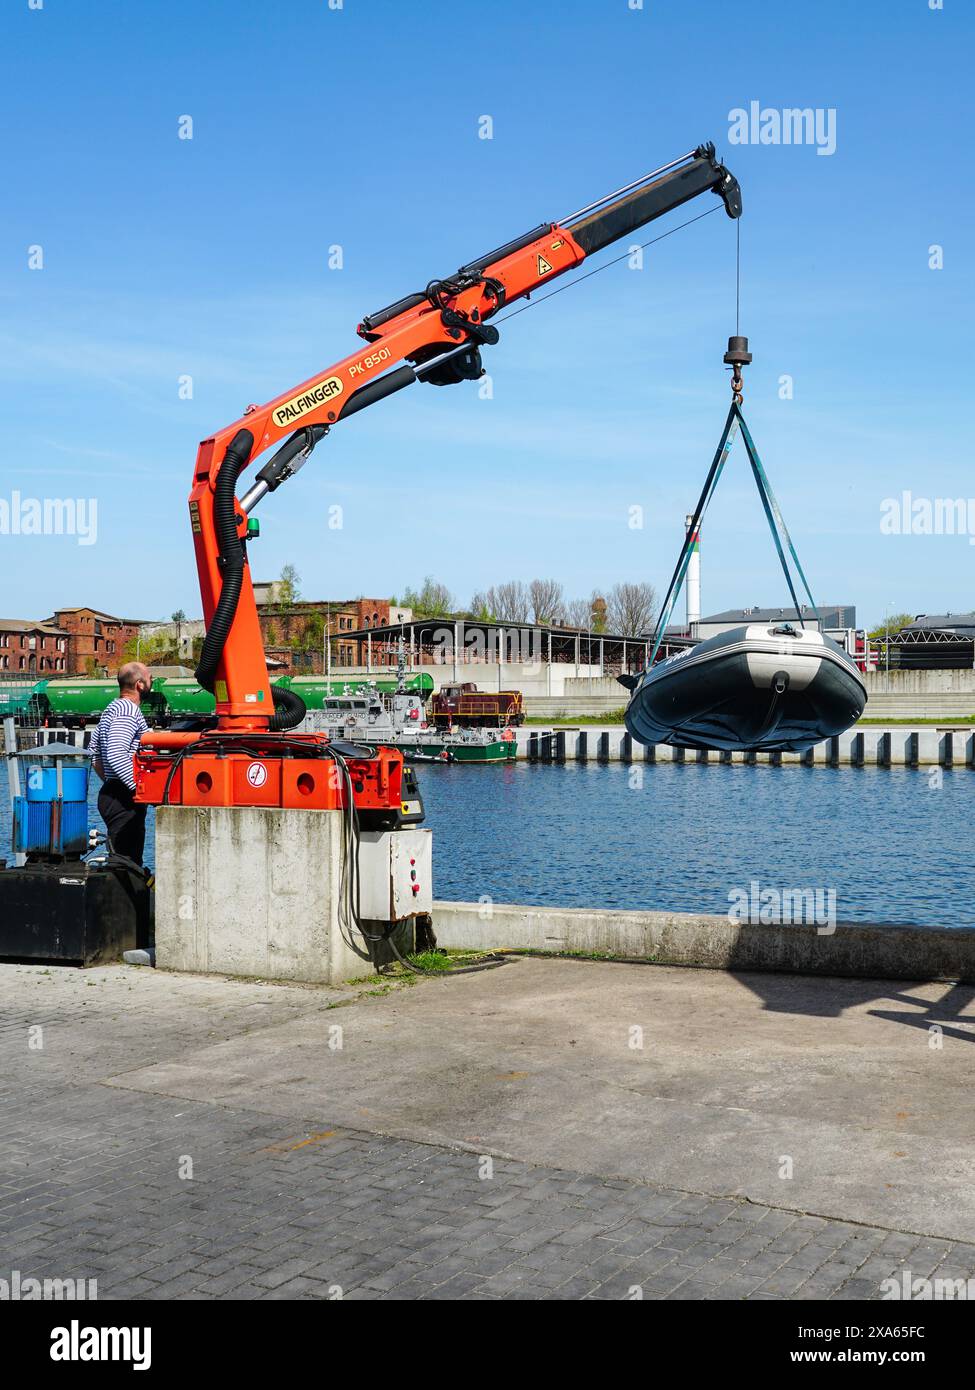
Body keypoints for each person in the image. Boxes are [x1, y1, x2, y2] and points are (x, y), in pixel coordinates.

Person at [90, 661, 152, 864]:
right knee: (127, 864)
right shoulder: (127, 711)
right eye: (150, 677)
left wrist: (111, 780)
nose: (152, 681)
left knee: (121, 860)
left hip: (113, 794)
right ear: (140, 685)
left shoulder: (111, 709)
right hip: (124, 798)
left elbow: (94, 754)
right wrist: (139, 789)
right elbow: (116, 754)